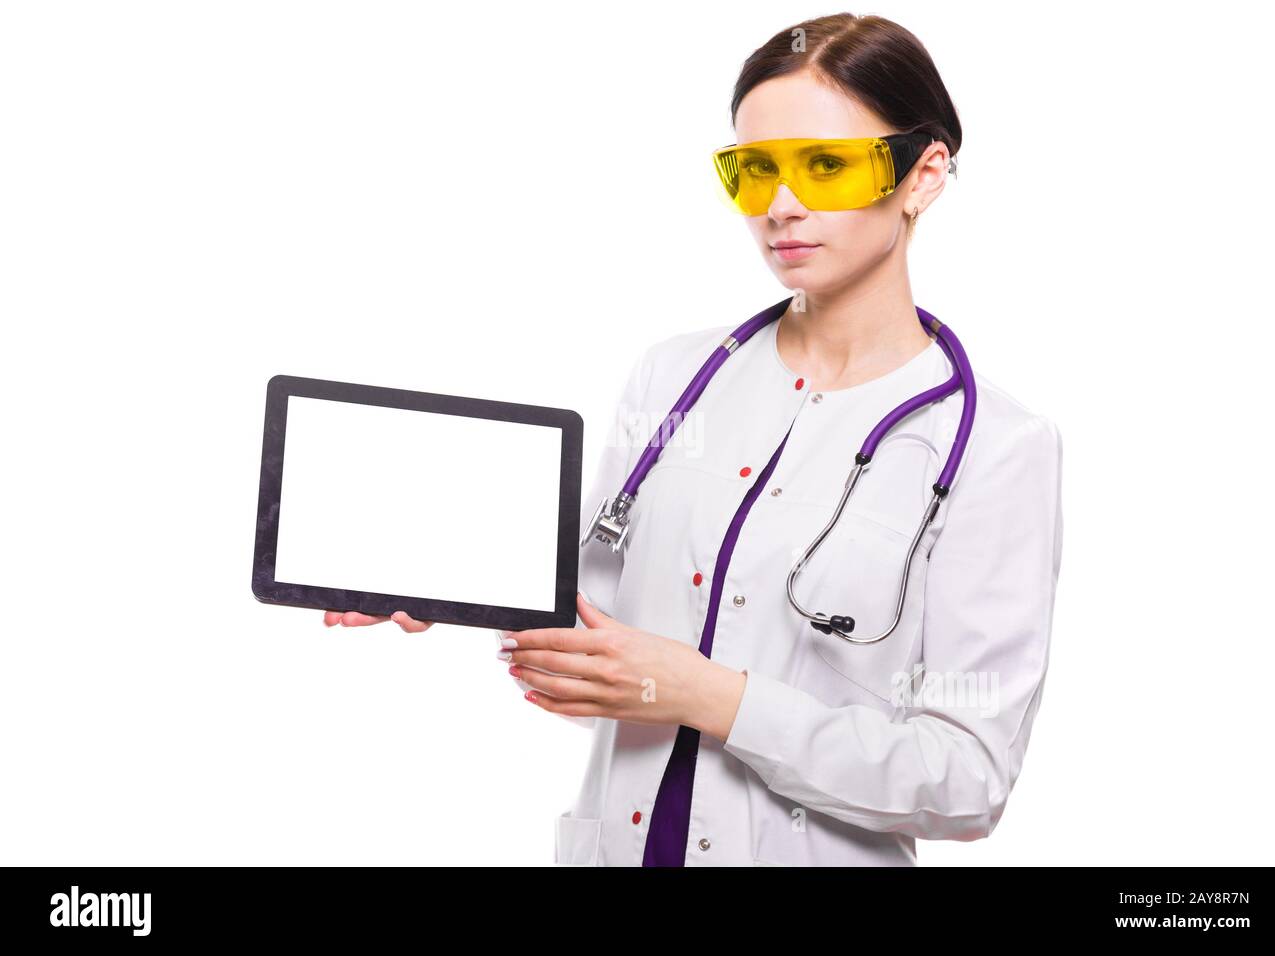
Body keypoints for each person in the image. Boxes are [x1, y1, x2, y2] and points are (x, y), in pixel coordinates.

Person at [331, 12, 1064, 867]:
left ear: (924, 175)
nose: (780, 208)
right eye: (755, 171)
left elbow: (969, 779)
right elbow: (597, 629)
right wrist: (454, 586)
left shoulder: (996, 449)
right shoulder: (675, 380)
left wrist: (715, 698)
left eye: (826, 166)